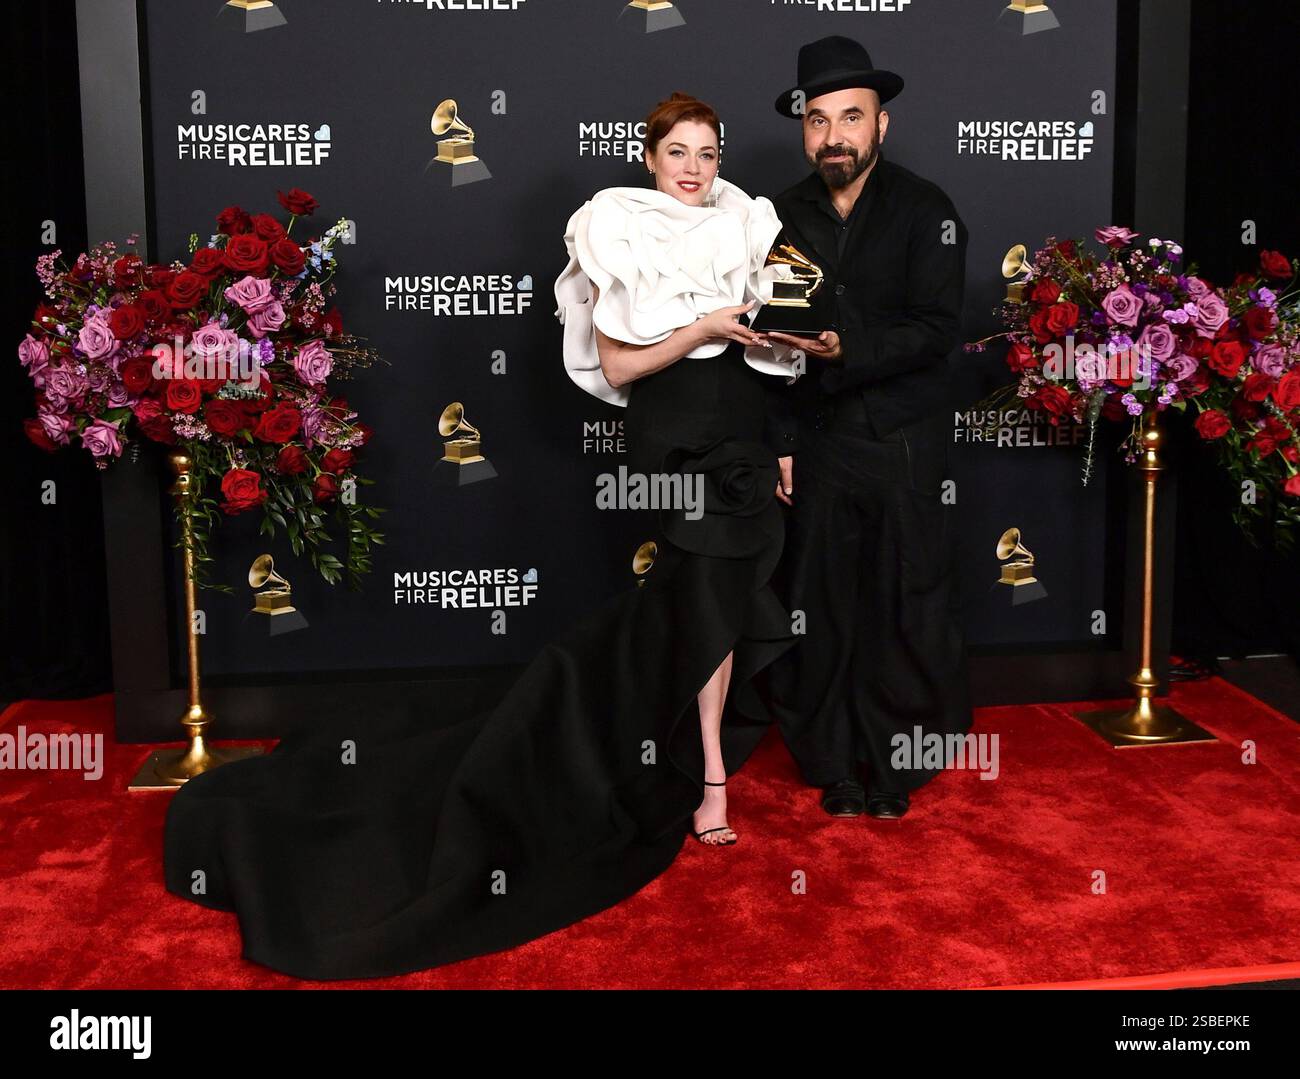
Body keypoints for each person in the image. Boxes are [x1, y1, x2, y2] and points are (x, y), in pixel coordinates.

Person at [161, 91, 801, 980]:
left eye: (707, 151)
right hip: (676, 443)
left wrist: (778, 445)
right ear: (649, 156)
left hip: (744, 437)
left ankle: (700, 767)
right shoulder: (615, 224)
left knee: (720, 603)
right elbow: (619, 362)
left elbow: (763, 351)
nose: (695, 167)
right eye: (678, 151)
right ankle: (704, 780)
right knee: (700, 596)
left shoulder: (744, 221)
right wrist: (699, 325)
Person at [749, 35, 974, 821]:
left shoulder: (926, 210)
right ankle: (833, 760)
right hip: (814, 438)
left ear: (883, 125)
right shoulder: (772, 215)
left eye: (851, 117)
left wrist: (851, 348)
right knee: (821, 602)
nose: (833, 135)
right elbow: (763, 344)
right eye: (818, 120)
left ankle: (895, 764)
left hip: (902, 439)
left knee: (901, 600)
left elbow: (937, 329)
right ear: (803, 129)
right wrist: (779, 438)